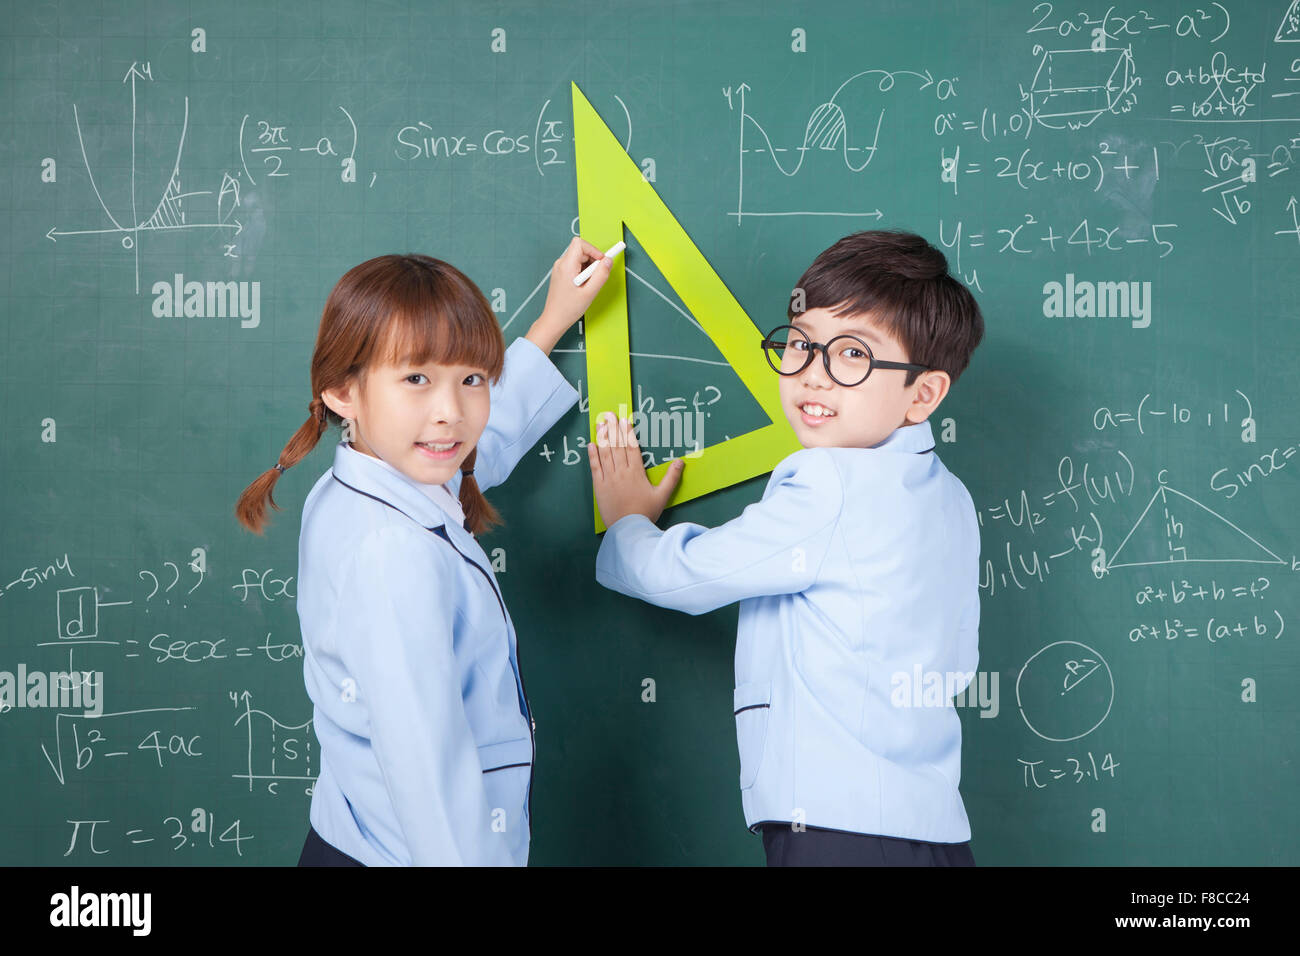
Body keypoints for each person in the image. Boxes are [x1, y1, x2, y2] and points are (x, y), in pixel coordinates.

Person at [587, 230, 984, 866]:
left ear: (923, 394)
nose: (812, 376)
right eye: (801, 344)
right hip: (933, 826)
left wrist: (629, 523)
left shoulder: (830, 480)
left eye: (852, 355)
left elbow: (687, 578)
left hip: (833, 826)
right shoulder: (952, 499)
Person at [235, 238, 612, 865]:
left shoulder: (363, 479)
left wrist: (550, 323)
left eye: (472, 379)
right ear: (341, 391)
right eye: (415, 378)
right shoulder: (391, 551)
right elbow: (427, 774)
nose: (451, 413)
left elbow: (469, 454)